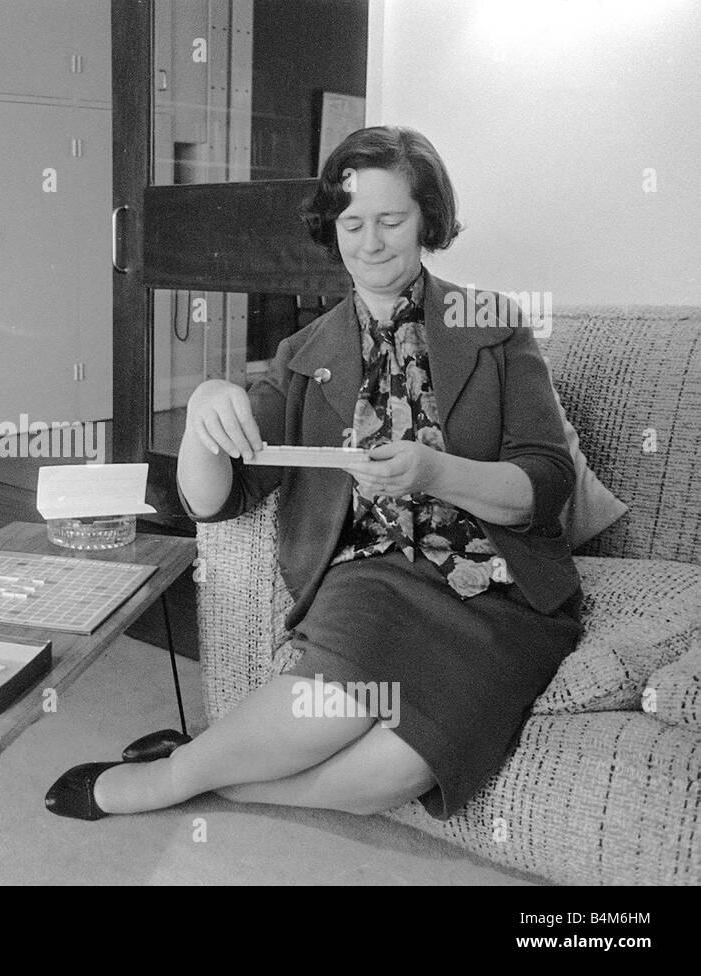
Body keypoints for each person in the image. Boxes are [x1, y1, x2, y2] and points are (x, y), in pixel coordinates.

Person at [44, 126, 582, 822]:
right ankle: (165, 781)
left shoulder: (493, 326)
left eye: (392, 220)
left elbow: (546, 484)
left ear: (429, 220)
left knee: (396, 773)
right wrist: (207, 411)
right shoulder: (304, 352)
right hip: (377, 581)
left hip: (498, 585)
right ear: (332, 231)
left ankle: (211, 771)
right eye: (351, 223)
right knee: (336, 707)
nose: (371, 241)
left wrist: (435, 470)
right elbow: (218, 500)